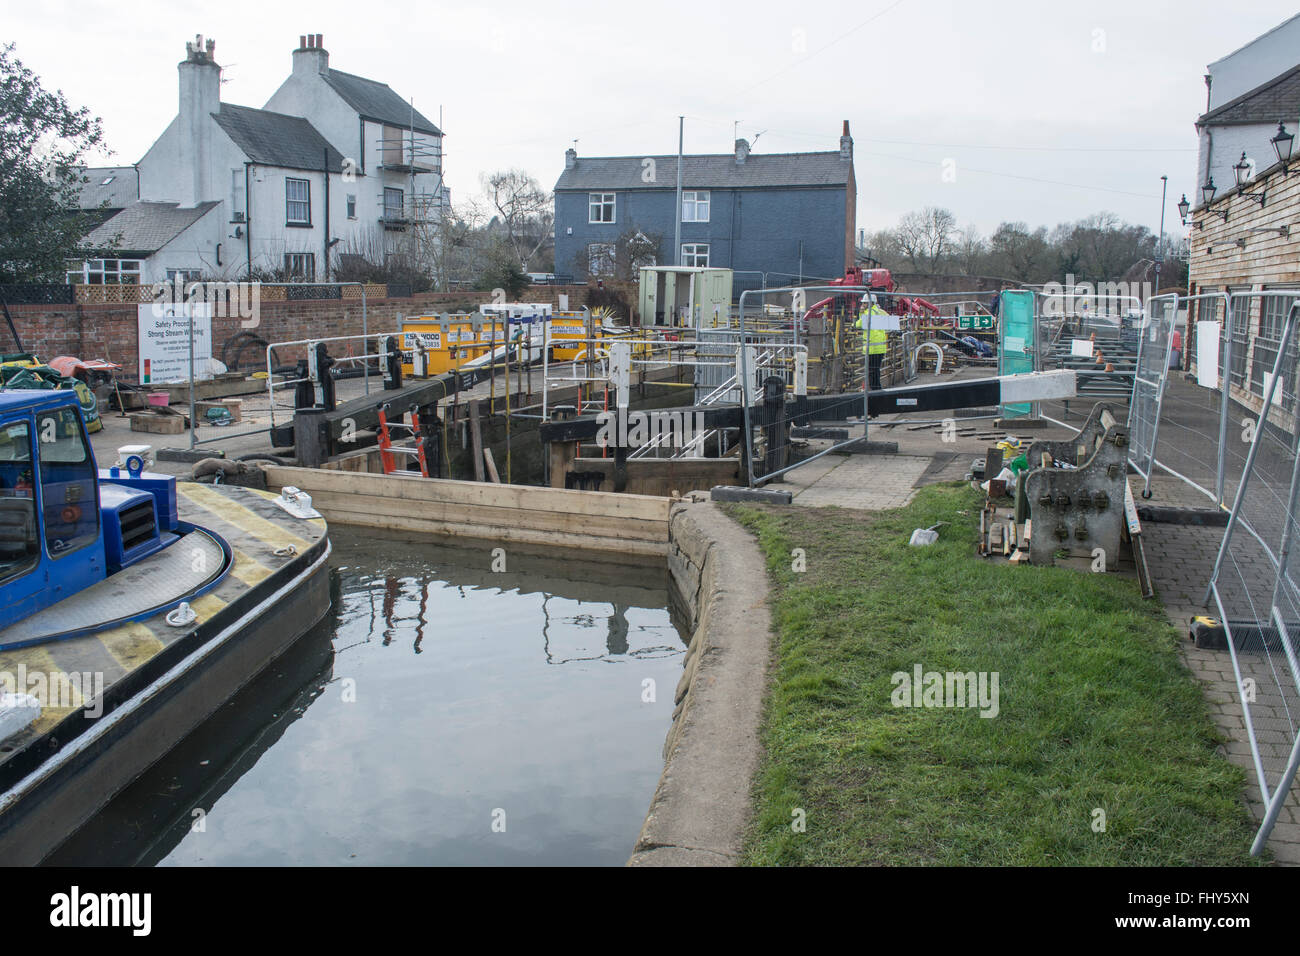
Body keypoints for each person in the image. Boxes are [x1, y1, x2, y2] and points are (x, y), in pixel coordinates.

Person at [855, 298, 890, 390]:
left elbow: (859, 324)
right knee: (875, 370)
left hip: (872, 348)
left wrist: (861, 313)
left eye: (865, 303)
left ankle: (876, 391)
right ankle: (877, 390)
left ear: (870, 303)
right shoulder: (879, 311)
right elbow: (888, 318)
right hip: (880, 347)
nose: (863, 305)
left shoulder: (868, 313)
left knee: (872, 371)